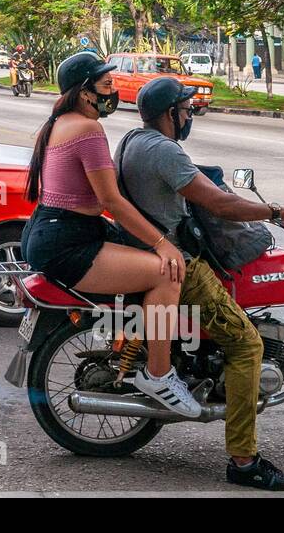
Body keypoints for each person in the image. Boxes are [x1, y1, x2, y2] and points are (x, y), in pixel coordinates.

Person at [115, 76, 284, 490]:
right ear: (170, 113)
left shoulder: (133, 140)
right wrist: (276, 211)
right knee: (247, 343)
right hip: (177, 262)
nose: (189, 115)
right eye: (185, 110)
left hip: (151, 250)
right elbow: (219, 203)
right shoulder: (165, 151)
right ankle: (243, 461)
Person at [22, 53, 202, 419]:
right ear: (84, 93)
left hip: (50, 230)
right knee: (167, 270)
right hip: (67, 241)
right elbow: (111, 200)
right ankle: (159, 374)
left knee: (145, 264)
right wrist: (161, 243)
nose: (112, 93)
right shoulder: (88, 130)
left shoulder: (59, 123)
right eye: (105, 86)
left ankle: (143, 345)